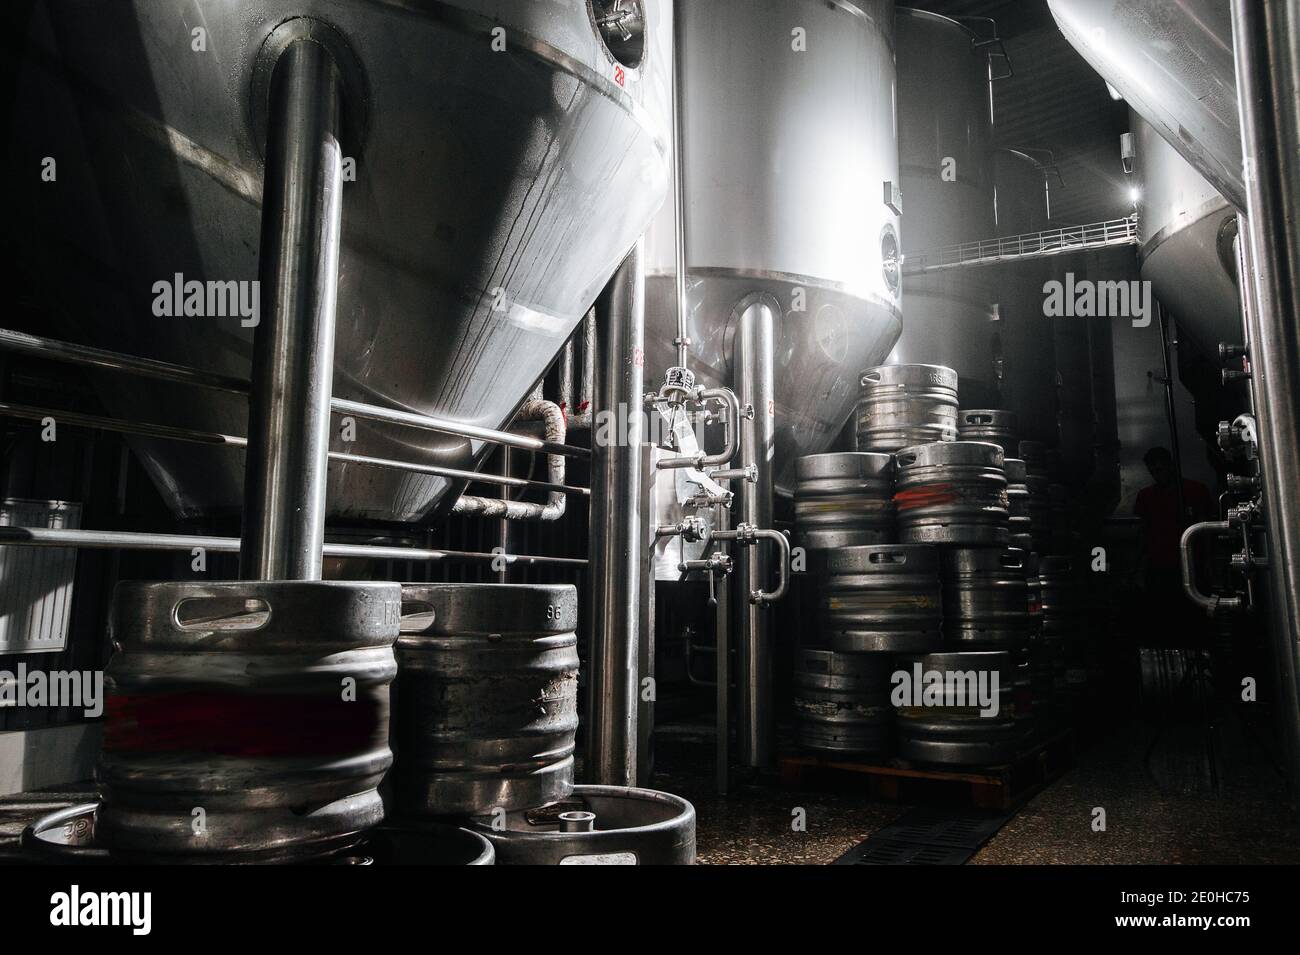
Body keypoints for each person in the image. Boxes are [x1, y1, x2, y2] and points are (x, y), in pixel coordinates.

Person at [1133, 447, 1215, 639]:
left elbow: (1206, 530)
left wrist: (1210, 562)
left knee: (1193, 619)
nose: (1156, 475)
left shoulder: (1195, 490)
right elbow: (1142, 533)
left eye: (1159, 470)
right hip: (1160, 567)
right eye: (1152, 471)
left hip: (1191, 566)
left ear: (1170, 466)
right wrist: (1138, 568)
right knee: (1164, 619)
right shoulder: (1146, 497)